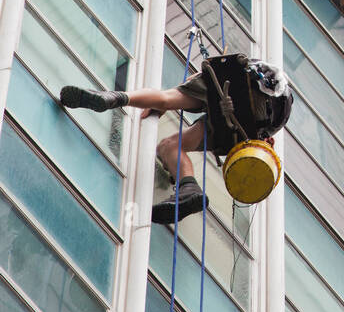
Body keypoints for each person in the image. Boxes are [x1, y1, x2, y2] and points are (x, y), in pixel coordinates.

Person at [60, 54, 293, 224]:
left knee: (164, 98)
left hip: (238, 89)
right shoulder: (274, 109)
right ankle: (188, 188)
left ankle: (116, 97)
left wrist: (160, 104)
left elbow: (173, 95)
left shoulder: (227, 81)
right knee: (170, 146)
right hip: (248, 124)